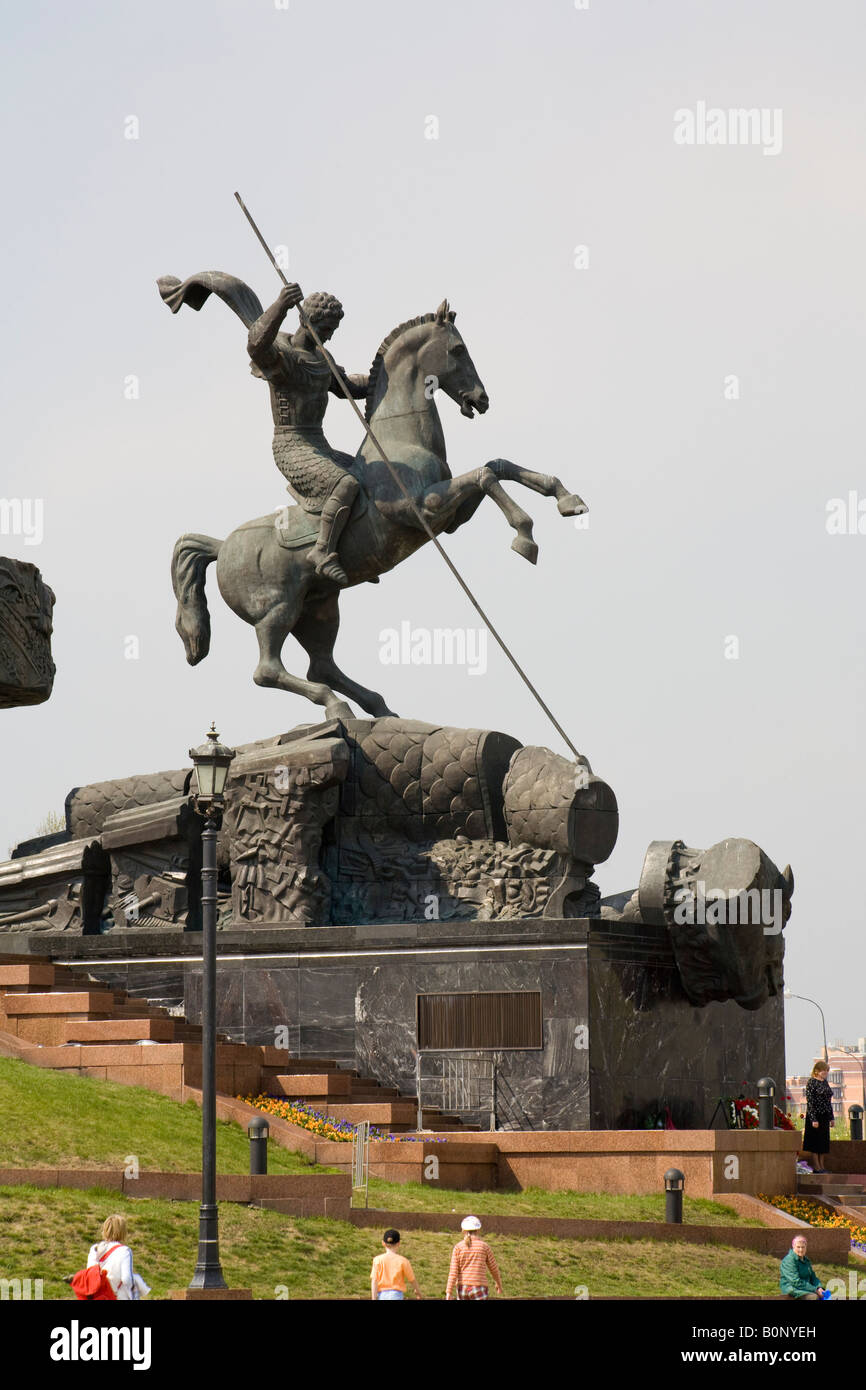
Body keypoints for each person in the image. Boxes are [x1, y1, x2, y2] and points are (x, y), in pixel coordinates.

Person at [247, 283, 369, 588]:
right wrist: (280, 305)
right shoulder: (283, 355)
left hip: (319, 445)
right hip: (291, 446)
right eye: (326, 329)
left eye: (333, 330)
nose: (329, 336)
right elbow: (256, 347)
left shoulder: (322, 358)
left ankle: (353, 548)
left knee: (368, 478)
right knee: (346, 483)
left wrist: (392, 372)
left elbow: (348, 388)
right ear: (306, 321)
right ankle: (322, 551)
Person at [86, 1214, 149, 1301]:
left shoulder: (94, 1249)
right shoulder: (125, 1251)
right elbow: (126, 1279)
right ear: (123, 1232)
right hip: (116, 1296)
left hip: (97, 1295)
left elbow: (90, 1272)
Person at [445, 1216, 503, 1300]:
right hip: (479, 1287)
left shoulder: (458, 1247)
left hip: (462, 1288)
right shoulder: (484, 1247)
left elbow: (453, 1272)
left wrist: (449, 1292)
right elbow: (494, 1268)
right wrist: (498, 1284)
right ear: (478, 1230)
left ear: (463, 1230)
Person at [370, 1229, 422, 1301]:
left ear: (383, 1243)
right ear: (399, 1243)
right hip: (396, 1295)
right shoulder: (403, 1261)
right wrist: (418, 1292)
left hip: (382, 1295)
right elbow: (412, 1280)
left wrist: (374, 1298)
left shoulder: (377, 1260)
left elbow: (374, 1281)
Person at [803, 1060, 834, 1174]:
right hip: (815, 1116)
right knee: (815, 1142)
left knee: (823, 1142)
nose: (825, 1072)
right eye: (823, 1070)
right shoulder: (812, 1082)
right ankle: (817, 1167)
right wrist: (813, 1119)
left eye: (827, 1070)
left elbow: (828, 1102)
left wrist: (831, 1117)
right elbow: (810, 1102)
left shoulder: (825, 1082)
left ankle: (822, 1166)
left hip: (825, 1115)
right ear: (817, 1071)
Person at [779, 1235, 826, 1300]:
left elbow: (813, 1277)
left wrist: (819, 1287)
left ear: (806, 1247)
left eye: (803, 1247)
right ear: (793, 1246)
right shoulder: (789, 1260)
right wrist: (814, 1289)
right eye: (798, 1247)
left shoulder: (806, 1260)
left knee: (825, 1295)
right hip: (792, 1289)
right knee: (814, 1297)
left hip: (805, 1289)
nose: (801, 1250)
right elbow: (796, 1282)